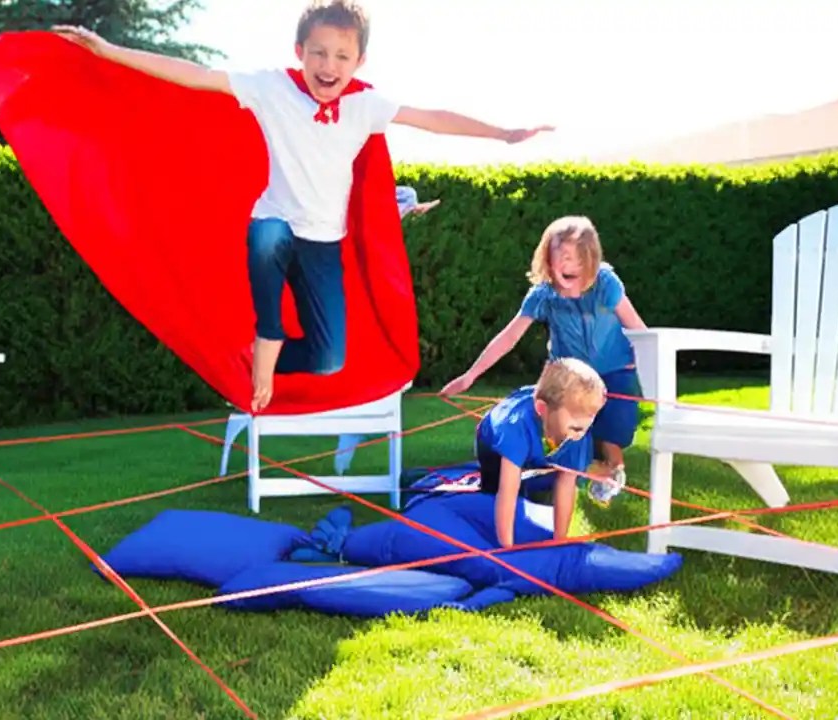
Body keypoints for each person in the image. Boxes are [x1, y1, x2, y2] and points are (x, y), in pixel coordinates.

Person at [53, 0, 553, 413]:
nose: (328, 66)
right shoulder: (272, 88)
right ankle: (267, 337)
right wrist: (108, 51)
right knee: (270, 236)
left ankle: (260, 356)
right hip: (272, 225)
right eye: (318, 53)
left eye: (341, 56)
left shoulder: (365, 106)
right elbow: (195, 75)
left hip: (322, 242)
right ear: (300, 52)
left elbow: (433, 119)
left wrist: (503, 134)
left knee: (327, 356)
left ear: (357, 63)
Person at [442, 215, 647, 497]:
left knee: (613, 434)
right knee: (565, 431)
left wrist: (649, 368)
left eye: (576, 259)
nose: (567, 265)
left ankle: (611, 472)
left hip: (615, 370)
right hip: (569, 377)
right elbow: (509, 336)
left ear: (590, 261)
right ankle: (568, 471)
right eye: (559, 257)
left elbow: (638, 328)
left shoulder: (606, 285)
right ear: (547, 261)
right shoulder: (543, 295)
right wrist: (470, 376)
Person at [476, 358, 606, 547]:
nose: (581, 434)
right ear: (542, 410)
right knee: (496, 489)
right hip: (490, 444)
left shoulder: (578, 432)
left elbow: (567, 485)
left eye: (588, 424)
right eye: (576, 428)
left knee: (542, 488)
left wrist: (559, 541)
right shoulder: (515, 427)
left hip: (539, 433)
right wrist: (507, 548)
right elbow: (507, 492)